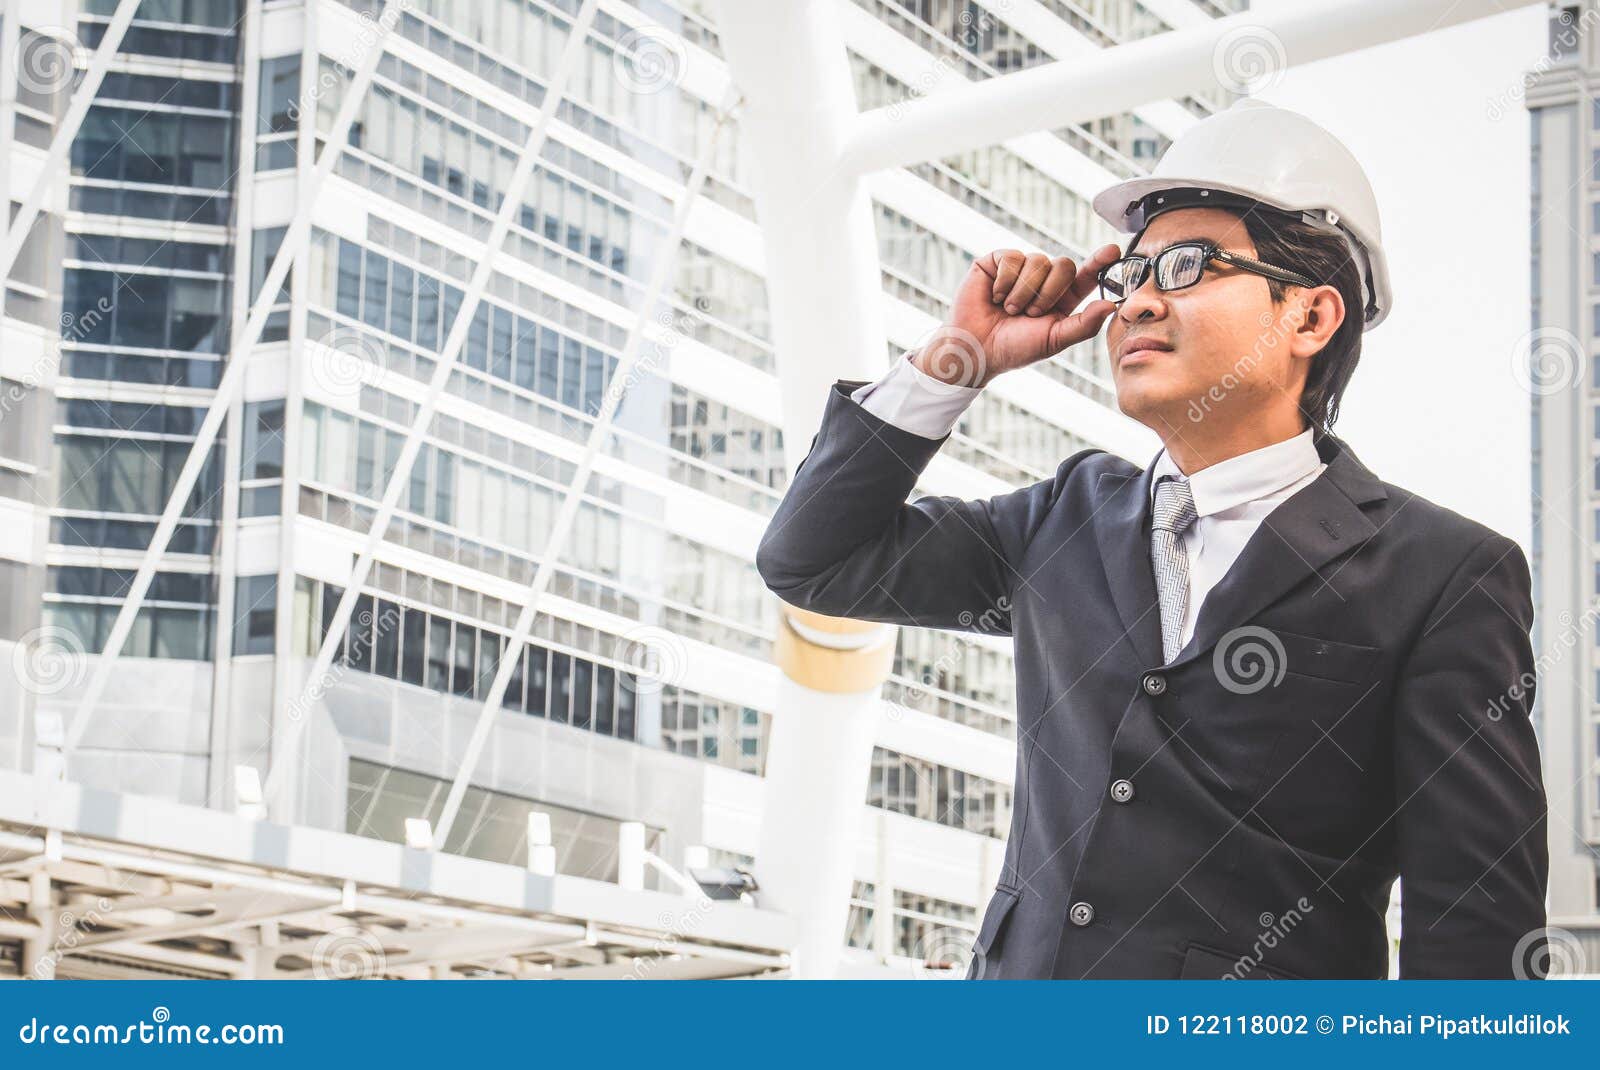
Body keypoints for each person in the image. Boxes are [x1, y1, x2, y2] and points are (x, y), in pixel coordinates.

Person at [754, 99, 1548, 979]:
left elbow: (1475, 930)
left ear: (1313, 318)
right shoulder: (1066, 519)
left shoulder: (1444, 576)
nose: (1136, 301)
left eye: (1185, 266)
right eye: (1128, 276)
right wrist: (961, 355)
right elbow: (813, 559)